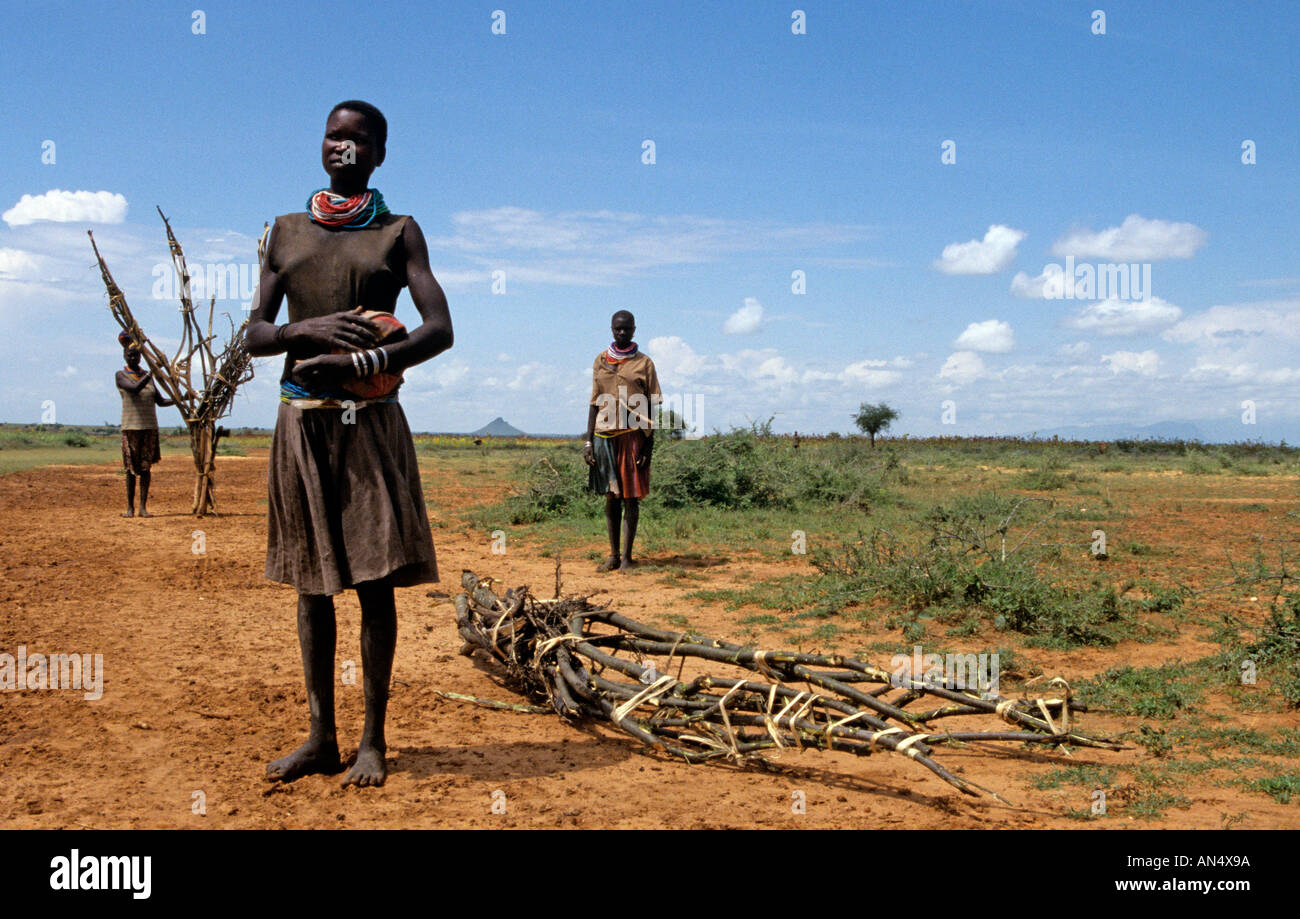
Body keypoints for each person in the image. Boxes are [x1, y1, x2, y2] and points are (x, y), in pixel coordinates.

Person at [245, 100, 453, 788]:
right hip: (301, 423)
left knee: (372, 583)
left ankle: (372, 739)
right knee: (312, 584)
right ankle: (319, 735)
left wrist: (360, 364)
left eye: (359, 139)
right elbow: (255, 335)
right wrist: (313, 332)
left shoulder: (398, 233)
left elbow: (438, 328)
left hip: (369, 426)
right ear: (321, 144)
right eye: (335, 136)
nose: (344, 147)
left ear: (379, 154)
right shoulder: (284, 232)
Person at [584, 311, 660, 571]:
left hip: (634, 437)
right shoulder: (600, 361)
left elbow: (652, 405)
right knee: (611, 497)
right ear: (611, 329)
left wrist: (649, 445)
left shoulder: (644, 363)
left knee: (631, 497)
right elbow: (594, 402)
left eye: (627, 329)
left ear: (634, 330)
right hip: (604, 437)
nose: (622, 333)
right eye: (618, 329)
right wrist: (588, 442)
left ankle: (628, 557)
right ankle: (613, 555)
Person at [115, 330, 174, 517]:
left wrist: (180, 399)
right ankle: (130, 508)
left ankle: (142, 507)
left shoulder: (147, 377)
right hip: (131, 427)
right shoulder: (121, 375)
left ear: (140, 357)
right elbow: (134, 388)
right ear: (125, 356)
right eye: (130, 355)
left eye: (136, 355)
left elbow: (160, 401)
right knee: (131, 470)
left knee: (146, 468)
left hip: (149, 428)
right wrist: (153, 373)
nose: (133, 357)